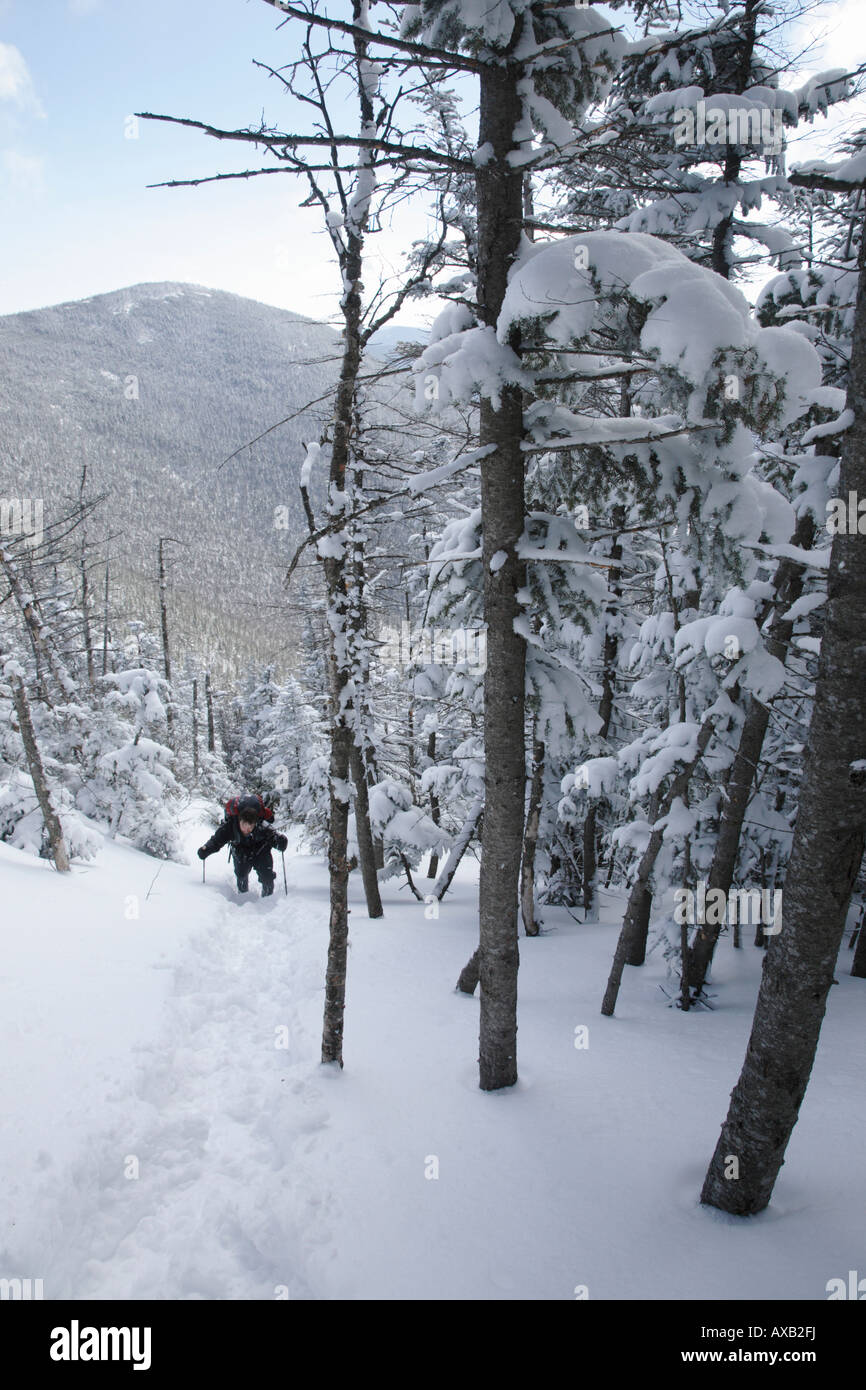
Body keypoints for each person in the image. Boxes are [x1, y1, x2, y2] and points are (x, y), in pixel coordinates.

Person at [197, 794, 288, 897]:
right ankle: (242, 896)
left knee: (267, 876)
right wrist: (206, 849)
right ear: (239, 820)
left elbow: (274, 837)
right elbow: (217, 840)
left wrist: (280, 842)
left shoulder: (262, 825)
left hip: (261, 849)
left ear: (255, 823)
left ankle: (268, 900)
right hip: (240, 849)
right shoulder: (230, 826)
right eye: (244, 826)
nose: (246, 830)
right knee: (241, 874)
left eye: (250, 828)